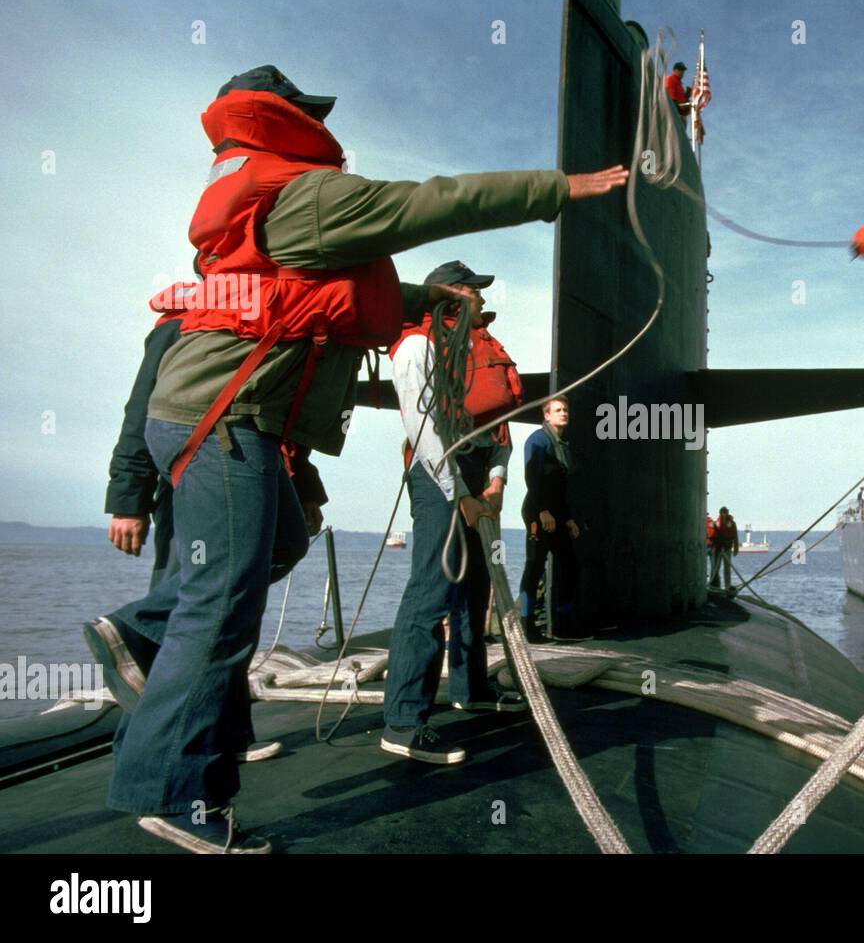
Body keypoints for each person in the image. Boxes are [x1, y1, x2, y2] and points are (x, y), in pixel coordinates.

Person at [99, 64, 628, 853]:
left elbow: (331, 296)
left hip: (206, 420)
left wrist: (423, 302)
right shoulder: (311, 195)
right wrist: (559, 190)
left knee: (276, 542)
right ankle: (175, 791)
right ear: (290, 121)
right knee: (219, 604)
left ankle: (140, 633)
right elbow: (434, 200)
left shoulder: (265, 200)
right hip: (225, 421)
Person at [87, 285, 327, 764]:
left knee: (232, 610)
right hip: (191, 481)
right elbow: (141, 413)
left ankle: (228, 735)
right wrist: (128, 500)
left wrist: (304, 494)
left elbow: (278, 426)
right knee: (188, 614)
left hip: (250, 477)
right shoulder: (190, 322)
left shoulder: (265, 319)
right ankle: (142, 747)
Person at [383, 260, 526, 768]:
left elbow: (500, 424)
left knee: (474, 588)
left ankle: (471, 688)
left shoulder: (478, 345)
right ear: (450, 294)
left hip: (478, 476)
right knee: (433, 590)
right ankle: (403, 721)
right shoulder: (419, 344)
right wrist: (459, 491)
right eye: (474, 291)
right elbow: (423, 427)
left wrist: (497, 481)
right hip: (439, 472)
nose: (483, 299)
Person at [519, 396, 587, 641]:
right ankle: (527, 627)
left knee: (570, 565)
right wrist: (543, 511)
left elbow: (560, 489)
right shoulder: (538, 440)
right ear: (546, 415)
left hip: (556, 514)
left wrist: (568, 519)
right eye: (558, 410)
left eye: (566, 409)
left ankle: (563, 622)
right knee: (534, 567)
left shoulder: (561, 445)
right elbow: (532, 476)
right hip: (539, 512)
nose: (563, 413)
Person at [708, 507, 738, 590]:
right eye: (723, 512)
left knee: (727, 568)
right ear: (720, 513)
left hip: (727, 548)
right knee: (716, 568)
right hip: (718, 549)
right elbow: (712, 535)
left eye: (726, 512)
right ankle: (715, 585)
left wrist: (736, 548)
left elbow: (735, 536)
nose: (725, 514)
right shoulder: (716, 524)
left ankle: (727, 586)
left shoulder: (732, 524)